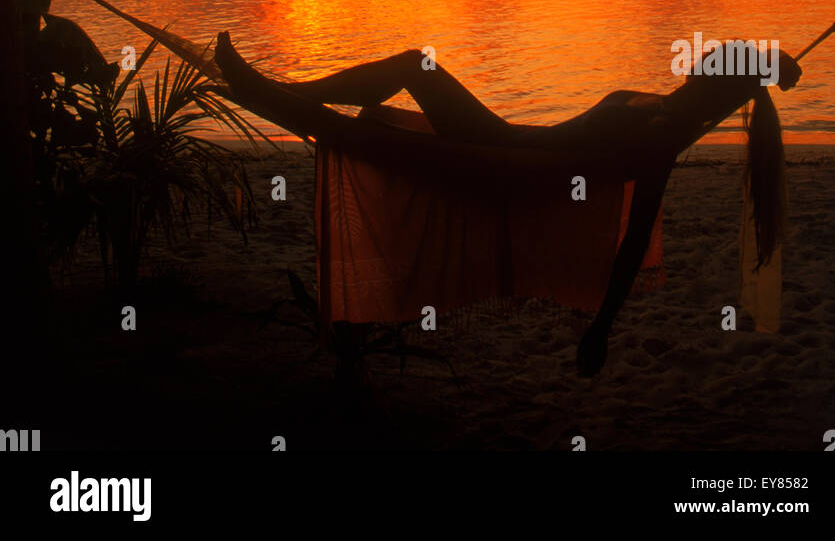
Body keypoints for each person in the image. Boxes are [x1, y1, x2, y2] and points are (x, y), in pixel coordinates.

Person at [213, 32, 801, 375]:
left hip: (503, 158)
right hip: (508, 140)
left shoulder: (660, 140)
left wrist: (601, 329)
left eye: (711, 69)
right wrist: (774, 64)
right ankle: (281, 89)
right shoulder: (662, 110)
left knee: (418, 65)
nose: (699, 67)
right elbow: (744, 74)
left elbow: (630, 243)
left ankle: (279, 91)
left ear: (711, 86)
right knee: (418, 63)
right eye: (709, 59)